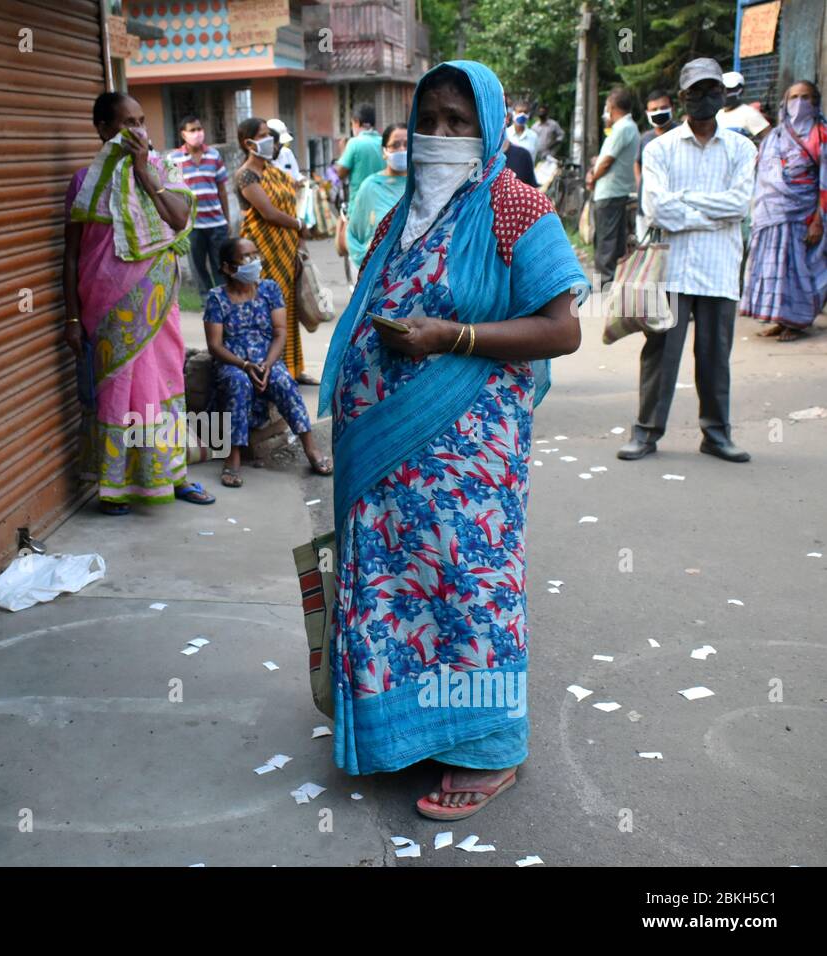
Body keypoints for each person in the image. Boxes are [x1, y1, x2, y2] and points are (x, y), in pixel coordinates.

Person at [317, 61, 587, 819]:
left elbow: (562, 328)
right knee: (396, 587)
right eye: (427, 120)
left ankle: (485, 750)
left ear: (489, 127)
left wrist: (452, 337)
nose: (438, 137)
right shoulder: (405, 210)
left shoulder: (514, 205)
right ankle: (406, 729)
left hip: (467, 453)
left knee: (468, 584)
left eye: (457, 123)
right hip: (387, 451)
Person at [64, 92, 216, 513]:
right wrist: (72, 317)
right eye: (127, 122)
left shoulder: (164, 171)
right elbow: (73, 253)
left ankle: (173, 475)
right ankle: (116, 486)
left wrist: (143, 176)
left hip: (156, 302)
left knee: (164, 383)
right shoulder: (84, 182)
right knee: (118, 390)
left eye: (142, 120)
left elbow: (179, 219)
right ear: (102, 129)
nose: (138, 130)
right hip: (106, 304)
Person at [623, 58, 757, 464]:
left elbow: (739, 205)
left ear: (723, 93)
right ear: (682, 97)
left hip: (719, 268)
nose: (704, 98)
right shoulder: (659, 148)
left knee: (715, 356)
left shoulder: (742, 147)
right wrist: (708, 214)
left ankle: (716, 435)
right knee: (660, 354)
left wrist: (686, 203)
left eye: (711, 90)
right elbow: (658, 208)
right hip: (671, 267)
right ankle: (646, 432)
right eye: (695, 91)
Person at [203, 238, 331, 487]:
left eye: (255, 254)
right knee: (237, 382)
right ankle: (233, 457)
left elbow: (280, 331)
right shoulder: (216, 299)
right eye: (246, 258)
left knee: (283, 381)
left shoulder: (269, 290)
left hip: (267, 359)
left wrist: (268, 364)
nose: (255, 262)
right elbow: (215, 346)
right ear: (229, 268)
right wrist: (244, 365)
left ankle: (310, 447)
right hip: (234, 362)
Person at [740, 80, 827, 341]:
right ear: (784, 103)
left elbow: (825, 183)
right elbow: (762, 178)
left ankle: (797, 322)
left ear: (816, 102)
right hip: (771, 216)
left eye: (806, 97)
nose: (799, 103)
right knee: (773, 269)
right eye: (794, 97)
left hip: (804, 215)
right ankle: (780, 319)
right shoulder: (775, 137)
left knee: (799, 270)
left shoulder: (821, 136)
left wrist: (818, 221)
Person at [234, 116, 312, 383]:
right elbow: (268, 212)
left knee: (287, 309)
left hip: (286, 251)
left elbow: (291, 203)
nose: (271, 140)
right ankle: (272, 370)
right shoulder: (246, 175)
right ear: (249, 142)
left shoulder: (275, 171)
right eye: (264, 134)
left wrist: (300, 243)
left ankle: (294, 368)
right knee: (269, 312)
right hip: (262, 252)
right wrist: (299, 224)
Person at [168, 114, 231, 298]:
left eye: (199, 129)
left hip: (216, 223)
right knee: (197, 266)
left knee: (219, 264)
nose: (198, 133)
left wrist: (226, 219)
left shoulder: (214, 155)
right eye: (192, 130)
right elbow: (172, 192)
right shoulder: (174, 159)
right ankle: (206, 300)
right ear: (183, 134)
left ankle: (222, 300)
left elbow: (222, 189)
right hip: (191, 226)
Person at [586, 87, 640, 288]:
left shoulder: (623, 128)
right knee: (613, 237)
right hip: (616, 190)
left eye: (607, 107)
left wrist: (592, 177)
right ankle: (611, 278)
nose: (606, 112)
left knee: (606, 237)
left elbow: (607, 160)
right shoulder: (628, 127)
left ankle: (604, 280)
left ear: (614, 107)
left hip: (611, 189)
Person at [341, 123, 408, 277]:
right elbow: (354, 234)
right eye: (395, 145)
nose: (402, 150)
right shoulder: (370, 187)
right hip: (378, 275)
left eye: (406, 144)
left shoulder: (422, 185)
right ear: (384, 151)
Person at [634, 89, 678, 240]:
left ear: (672, 108)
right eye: (654, 109)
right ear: (647, 112)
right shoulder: (645, 138)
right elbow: (637, 163)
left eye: (663, 107)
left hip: (673, 210)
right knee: (647, 255)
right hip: (645, 209)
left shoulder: (681, 135)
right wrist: (640, 184)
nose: (659, 112)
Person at [335, 103, 384, 197]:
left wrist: (342, 151)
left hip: (360, 203)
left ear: (356, 122)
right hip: (381, 202)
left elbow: (340, 174)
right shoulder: (384, 142)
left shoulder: (354, 143)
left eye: (351, 124)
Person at [717, 71, 771, 143]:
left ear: (741, 90)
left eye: (730, 89)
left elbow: (770, 142)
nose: (726, 93)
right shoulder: (717, 115)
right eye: (722, 90)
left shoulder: (749, 113)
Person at [267, 118, 306, 184]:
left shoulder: (287, 152)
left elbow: (296, 174)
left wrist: (303, 181)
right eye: (277, 143)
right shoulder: (263, 159)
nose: (279, 146)